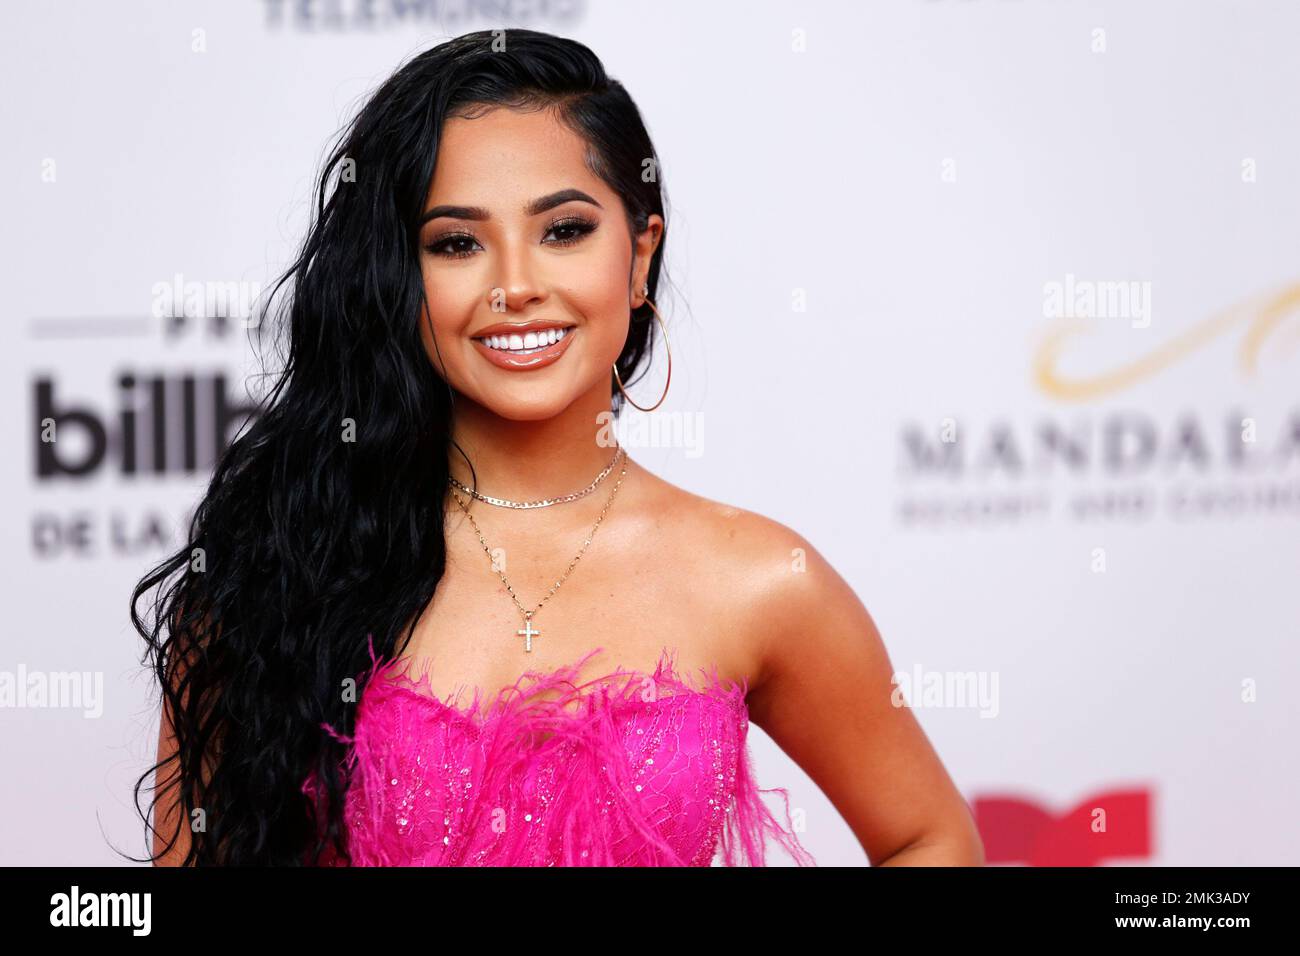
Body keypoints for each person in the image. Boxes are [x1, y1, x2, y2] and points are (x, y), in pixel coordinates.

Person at [134, 27, 984, 867]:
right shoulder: (279, 561)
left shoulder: (761, 581)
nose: (516, 287)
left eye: (565, 230)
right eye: (456, 243)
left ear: (639, 252)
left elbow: (930, 838)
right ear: (400, 276)